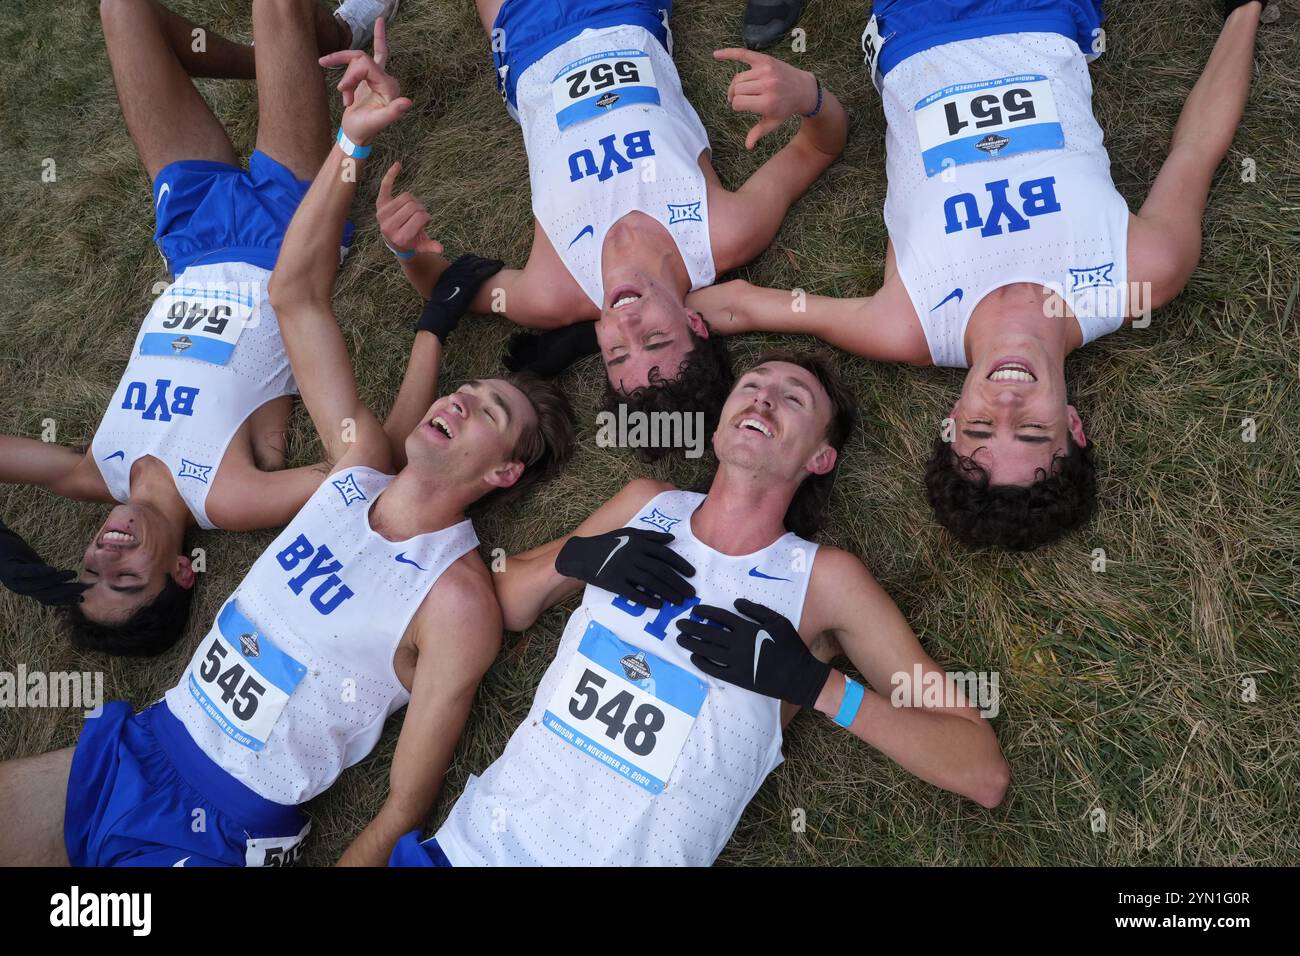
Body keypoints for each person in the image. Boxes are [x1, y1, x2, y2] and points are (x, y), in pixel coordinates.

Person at [0, 12, 577, 869]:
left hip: (219, 821)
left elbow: (399, 814)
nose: (459, 399)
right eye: (468, 387)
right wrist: (348, 141)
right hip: (138, 743)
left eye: (489, 412)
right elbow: (296, 298)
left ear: (501, 474)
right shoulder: (351, 470)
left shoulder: (452, 600)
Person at [684, 0, 1271, 550]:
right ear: (1073, 426)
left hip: (914, 24)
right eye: (1035, 431)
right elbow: (1197, 149)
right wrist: (1246, 9)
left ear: (952, 421)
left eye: (983, 427)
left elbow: (742, 306)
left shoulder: (907, 327)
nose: (1007, 402)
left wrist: (634, 315)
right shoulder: (1140, 275)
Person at [390, 351, 1009, 866]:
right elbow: (503, 605)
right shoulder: (645, 504)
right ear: (716, 431)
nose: (763, 400)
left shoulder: (825, 581)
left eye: (793, 399)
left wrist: (819, 686)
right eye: (751, 386)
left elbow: (981, 771)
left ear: (819, 458)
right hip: (468, 848)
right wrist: (577, 558)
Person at [0, 0, 404, 654]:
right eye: (125, 579)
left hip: (191, 239)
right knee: (277, 6)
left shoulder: (99, 473)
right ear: (182, 573)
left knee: (122, 11)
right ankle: (309, 41)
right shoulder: (228, 497)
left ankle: (298, 52)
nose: (107, 556)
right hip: (285, 235)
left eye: (91, 571)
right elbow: (356, 472)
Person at [376, 0, 848, 451]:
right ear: (695, 324)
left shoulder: (553, 291)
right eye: (654, 338)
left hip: (526, 38)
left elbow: (443, 289)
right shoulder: (725, 232)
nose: (624, 323)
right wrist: (810, 96)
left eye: (617, 353)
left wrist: (406, 250)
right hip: (625, 13)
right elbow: (819, 148)